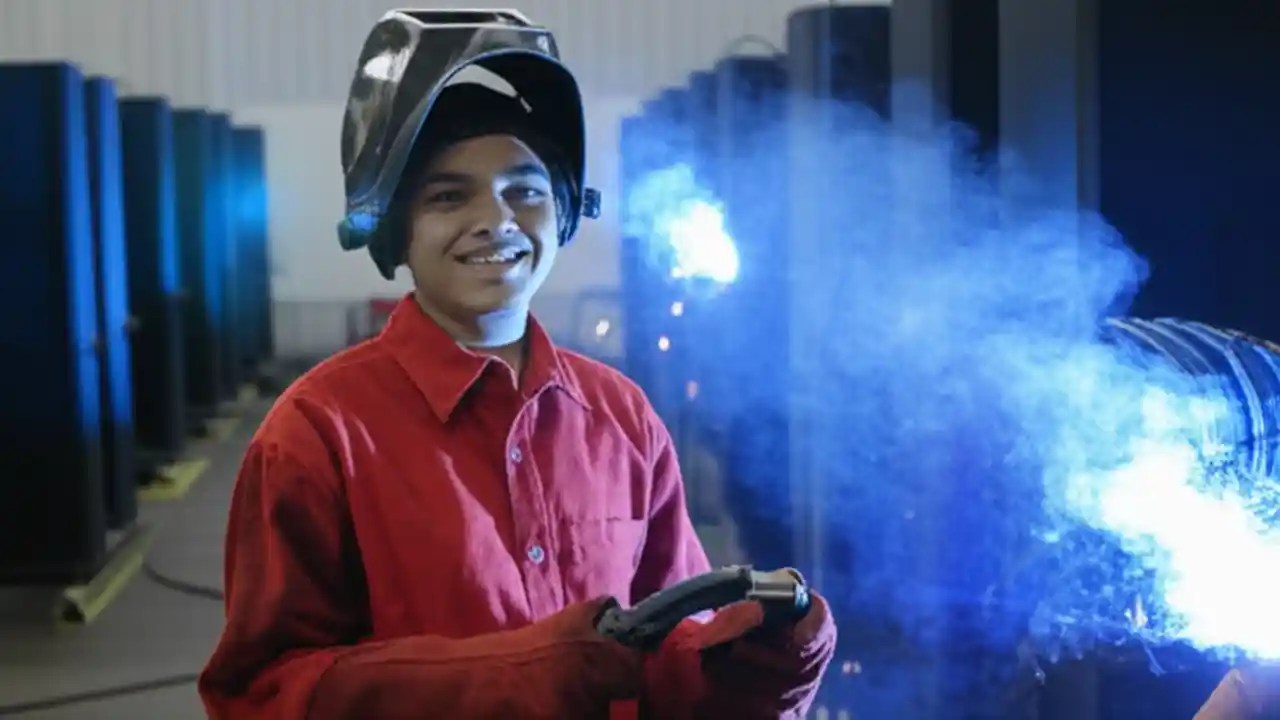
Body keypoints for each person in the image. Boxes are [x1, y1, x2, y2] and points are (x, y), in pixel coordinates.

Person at [197, 9, 836, 719]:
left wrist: (760, 664)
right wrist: (519, 675)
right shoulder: (318, 435)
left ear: (562, 211)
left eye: (524, 190)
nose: (496, 219)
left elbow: (670, 656)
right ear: (392, 225)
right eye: (448, 195)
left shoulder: (621, 418)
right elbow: (264, 695)